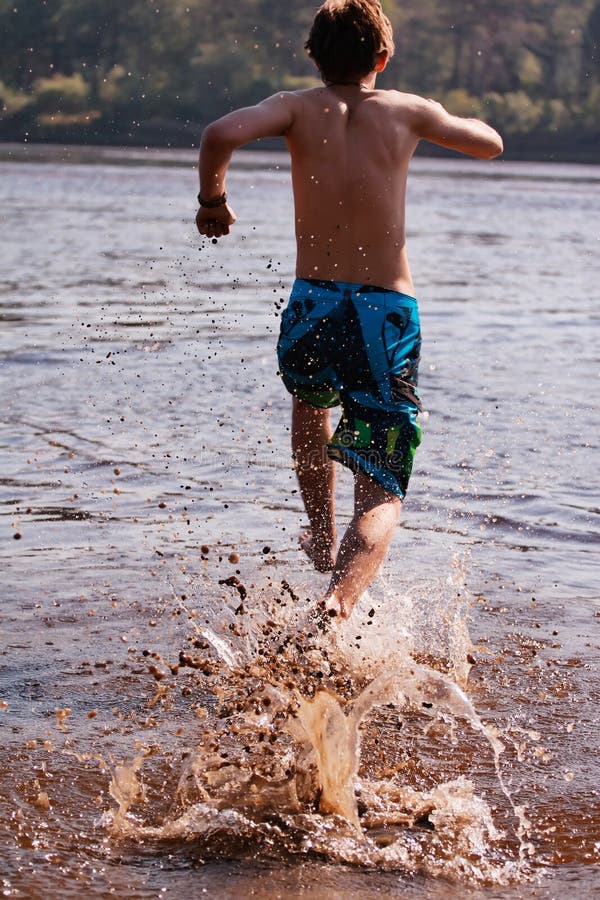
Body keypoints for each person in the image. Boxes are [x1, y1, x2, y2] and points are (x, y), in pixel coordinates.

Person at [196, 0, 503, 622]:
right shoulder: (406, 110)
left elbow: (218, 134)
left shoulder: (294, 107)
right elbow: (491, 144)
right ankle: (337, 600)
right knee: (382, 478)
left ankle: (316, 530)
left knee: (310, 402)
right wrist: (433, 115)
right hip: (385, 309)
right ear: (383, 58)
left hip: (314, 299)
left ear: (313, 55)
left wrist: (213, 201)